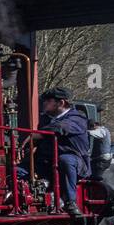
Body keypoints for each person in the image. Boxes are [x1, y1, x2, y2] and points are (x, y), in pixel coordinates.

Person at [35, 87, 91, 215]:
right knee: (19, 170)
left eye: (48, 100)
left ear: (61, 103)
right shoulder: (45, 120)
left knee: (65, 159)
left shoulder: (77, 118)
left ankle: (70, 201)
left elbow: (61, 127)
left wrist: (39, 134)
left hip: (77, 163)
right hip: (47, 162)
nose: (44, 103)